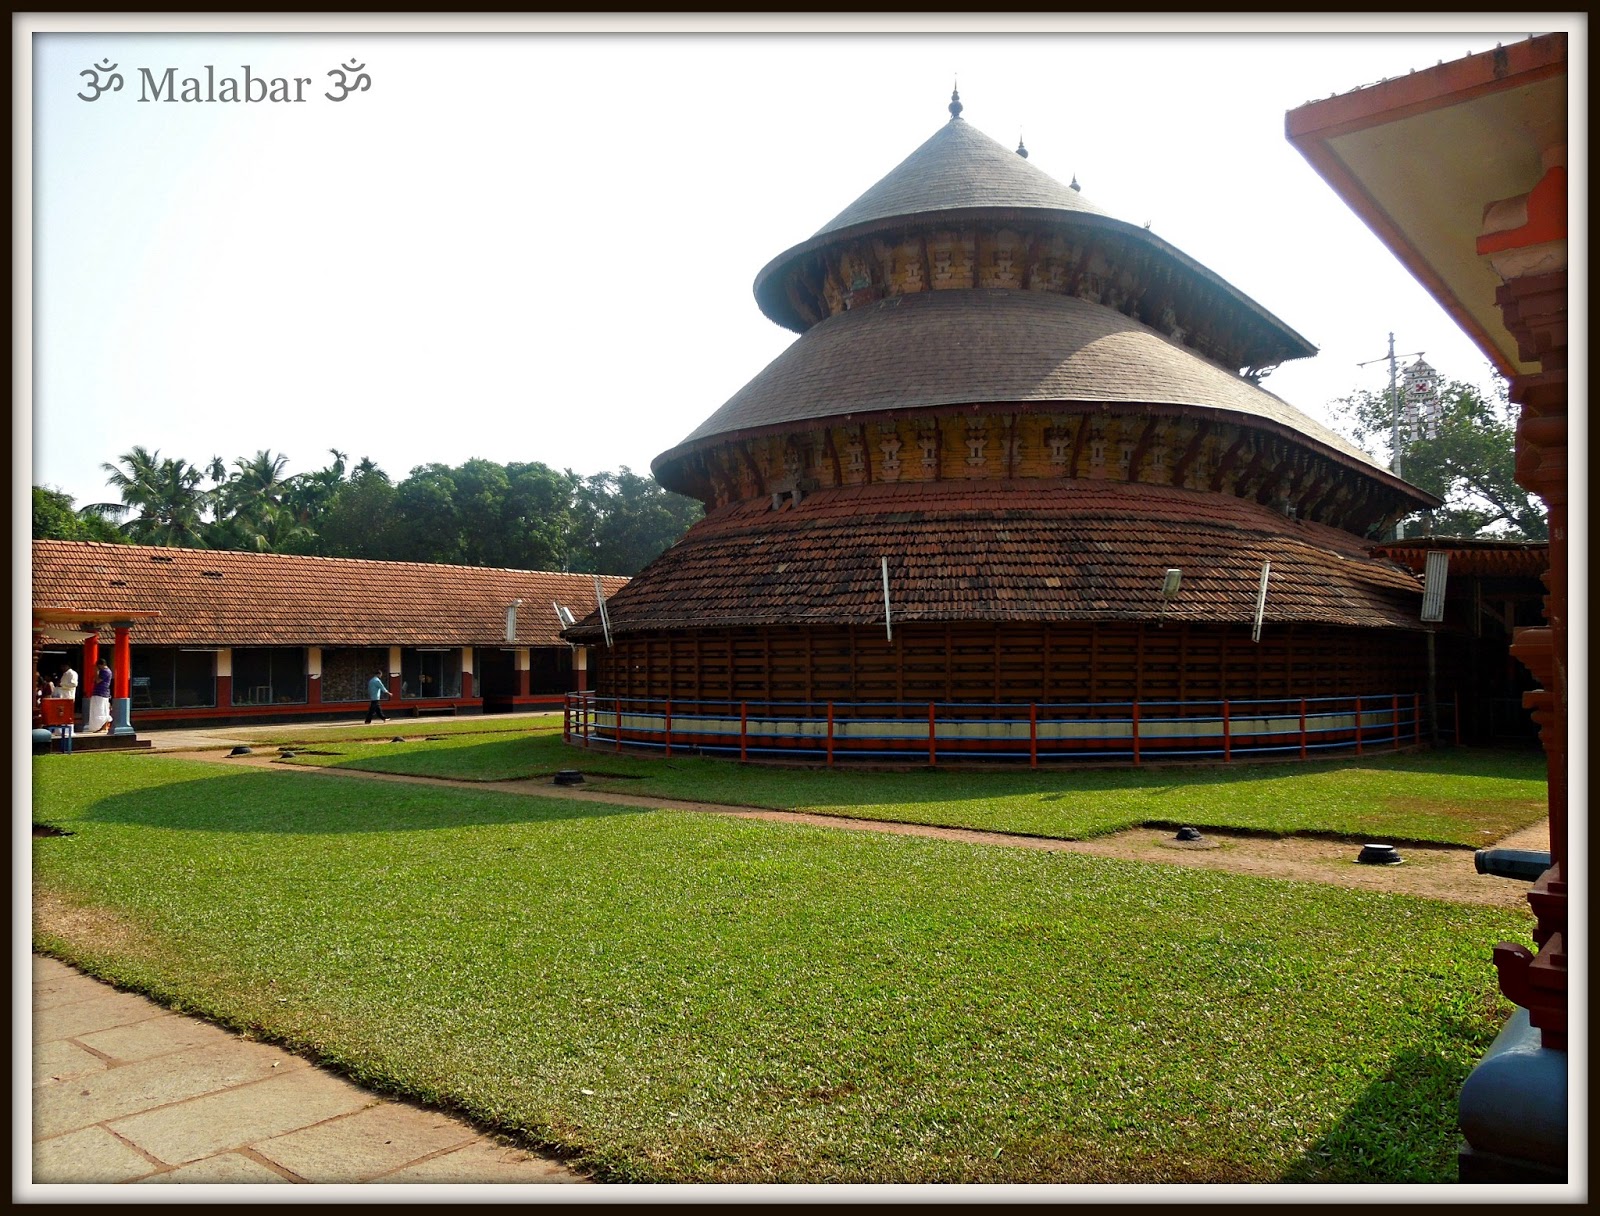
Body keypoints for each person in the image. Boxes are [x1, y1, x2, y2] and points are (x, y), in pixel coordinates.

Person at [85, 660, 114, 733]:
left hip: (101, 693)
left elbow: (97, 680)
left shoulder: (105, 671)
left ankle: (102, 727)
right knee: (102, 710)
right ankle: (101, 727)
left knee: (100, 711)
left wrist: (96, 672)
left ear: (100, 665)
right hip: (102, 693)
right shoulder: (107, 671)